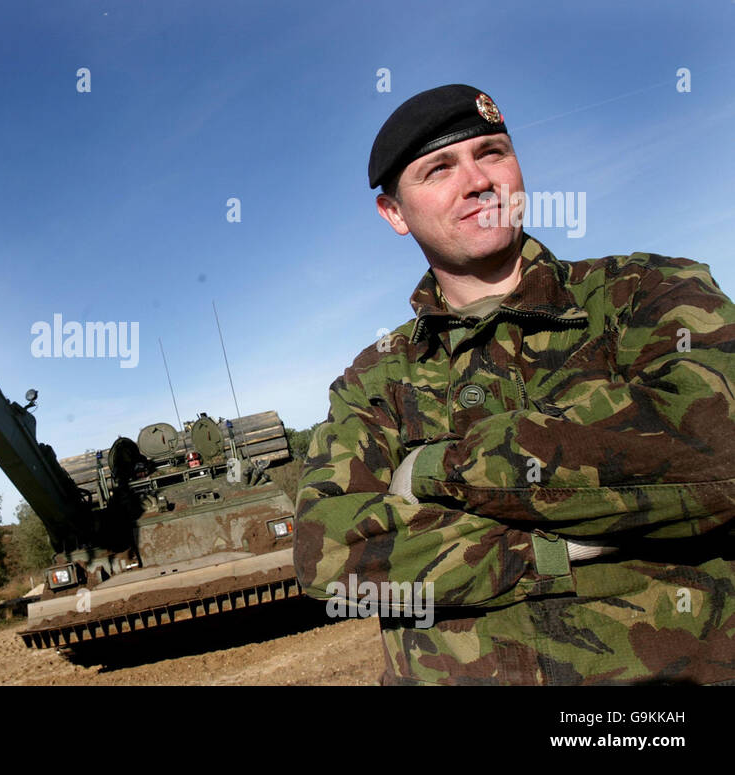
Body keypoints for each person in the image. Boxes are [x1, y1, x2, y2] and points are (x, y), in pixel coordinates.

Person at [292, 83, 735, 685]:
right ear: (393, 213)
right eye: (439, 169)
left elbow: (717, 447)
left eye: (492, 152)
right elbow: (326, 550)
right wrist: (550, 549)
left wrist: (433, 472)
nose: (478, 181)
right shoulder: (378, 377)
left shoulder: (643, 293)